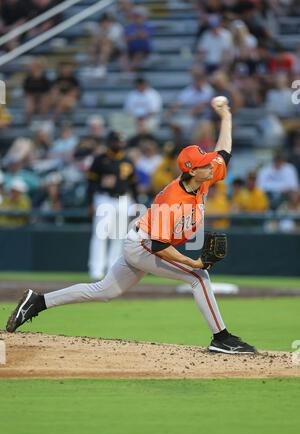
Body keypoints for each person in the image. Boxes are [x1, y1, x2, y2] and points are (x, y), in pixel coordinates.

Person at [6, 100, 256, 355]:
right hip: (144, 246)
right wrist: (193, 263)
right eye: (204, 163)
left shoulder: (204, 175)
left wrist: (225, 116)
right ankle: (221, 338)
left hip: (140, 242)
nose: (210, 164)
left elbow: (223, 151)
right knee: (199, 277)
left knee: (104, 290)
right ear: (191, 171)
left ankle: (37, 302)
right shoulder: (172, 199)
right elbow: (159, 246)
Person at [87, 131, 137, 280]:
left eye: (120, 142)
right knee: (100, 234)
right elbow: (91, 183)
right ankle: (96, 269)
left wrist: (135, 202)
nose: (118, 144)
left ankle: (111, 269)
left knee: (119, 236)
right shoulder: (100, 159)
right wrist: (90, 202)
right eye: (116, 141)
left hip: (123, 200)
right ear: (109, 142)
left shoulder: (127, 160)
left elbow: (133, 184)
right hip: (104, 198)